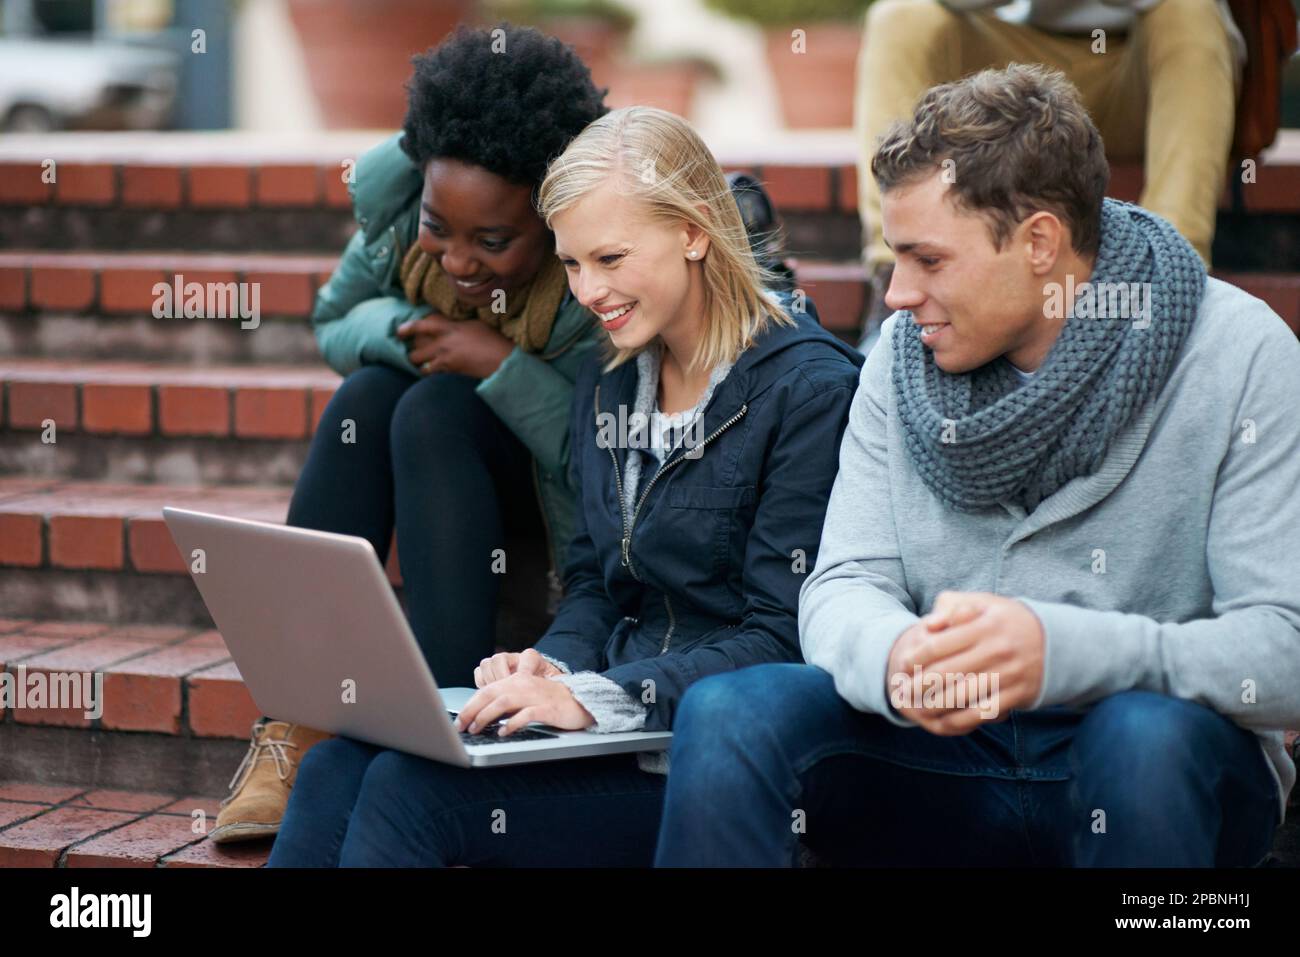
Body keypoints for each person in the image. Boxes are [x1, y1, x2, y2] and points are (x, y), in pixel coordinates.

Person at [655, 64, 1300, 867]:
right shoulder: (900, 357)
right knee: (729, 713)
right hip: (942, 749)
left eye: (929, 259)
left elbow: (1284, 647)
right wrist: (897, 659)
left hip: (1154, 764)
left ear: (1037, 242)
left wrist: (1061, 651)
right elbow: (844, 580)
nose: (896, 294)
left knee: (1141, 735)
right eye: (896, 258)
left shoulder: (1240, 355)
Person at [266, 105, 863, 867]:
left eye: (611, 258)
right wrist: (547, 665)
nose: (587, 290)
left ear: (694, 230)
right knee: (333, 766)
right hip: (617, 724)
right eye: (574, 263)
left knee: (406, 792)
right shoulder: (612, 377)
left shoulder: (809, 392)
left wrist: (593, 697)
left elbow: (785, 635)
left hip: (703, 762)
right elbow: (593, 583)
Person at [211, 24, 608, 844]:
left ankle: (438, 715)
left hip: (552, 491)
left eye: (492, 241)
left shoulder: (591, 269)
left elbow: (598, 453)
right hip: (437, 463)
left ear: (552, 213)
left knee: (432, 409)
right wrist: (410, 330)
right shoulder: (397, 218)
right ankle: (295, 719)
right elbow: (332, 319)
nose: (459, 260)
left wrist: (497, 361)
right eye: (441, 227)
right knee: (367, 394)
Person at [853, 0, 1244, 342]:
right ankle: (893, 271)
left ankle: (1168, 279)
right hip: (1011, 63)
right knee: (900, 17)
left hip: (1138, 63)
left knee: (1189, 10)